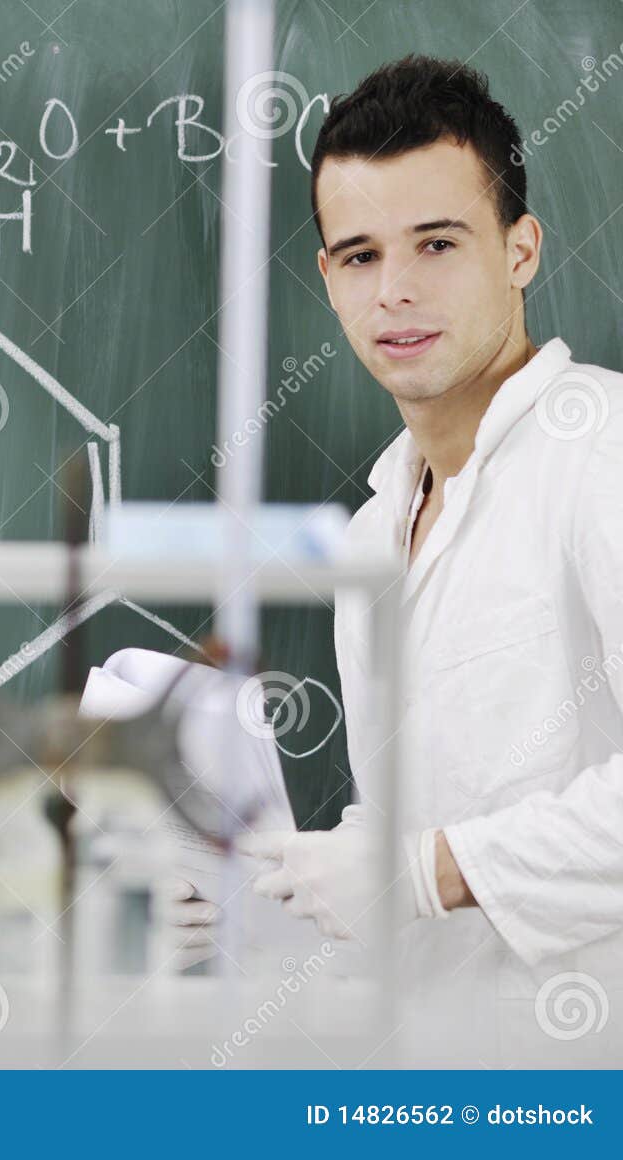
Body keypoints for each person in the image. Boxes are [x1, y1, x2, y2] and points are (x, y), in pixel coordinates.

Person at [238, 56, 623, 1062]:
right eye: (359, 256)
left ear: (519, 250)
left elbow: (424, 863)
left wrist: (417, 870)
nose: (396, 291)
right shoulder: (373, 533)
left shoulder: (602, 453)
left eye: (437, 243)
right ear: (326, 280)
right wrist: (271, 898)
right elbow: (416, 832)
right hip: (431, 1071)